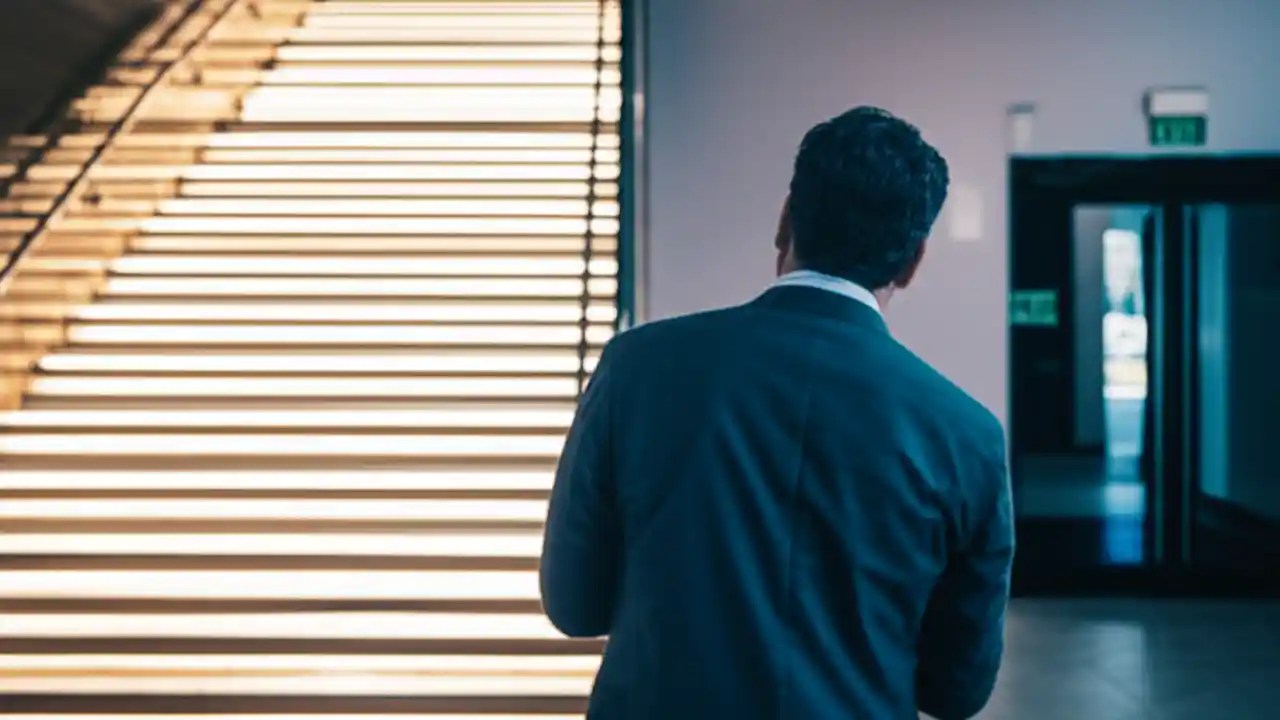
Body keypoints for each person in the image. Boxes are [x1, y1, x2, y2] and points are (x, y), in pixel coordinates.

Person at [540, 106, 1013, 720]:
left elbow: (574, 605)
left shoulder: (638, 367)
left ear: (785, 220)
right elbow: (956, 691)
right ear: (913, 261)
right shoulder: (966, 436)